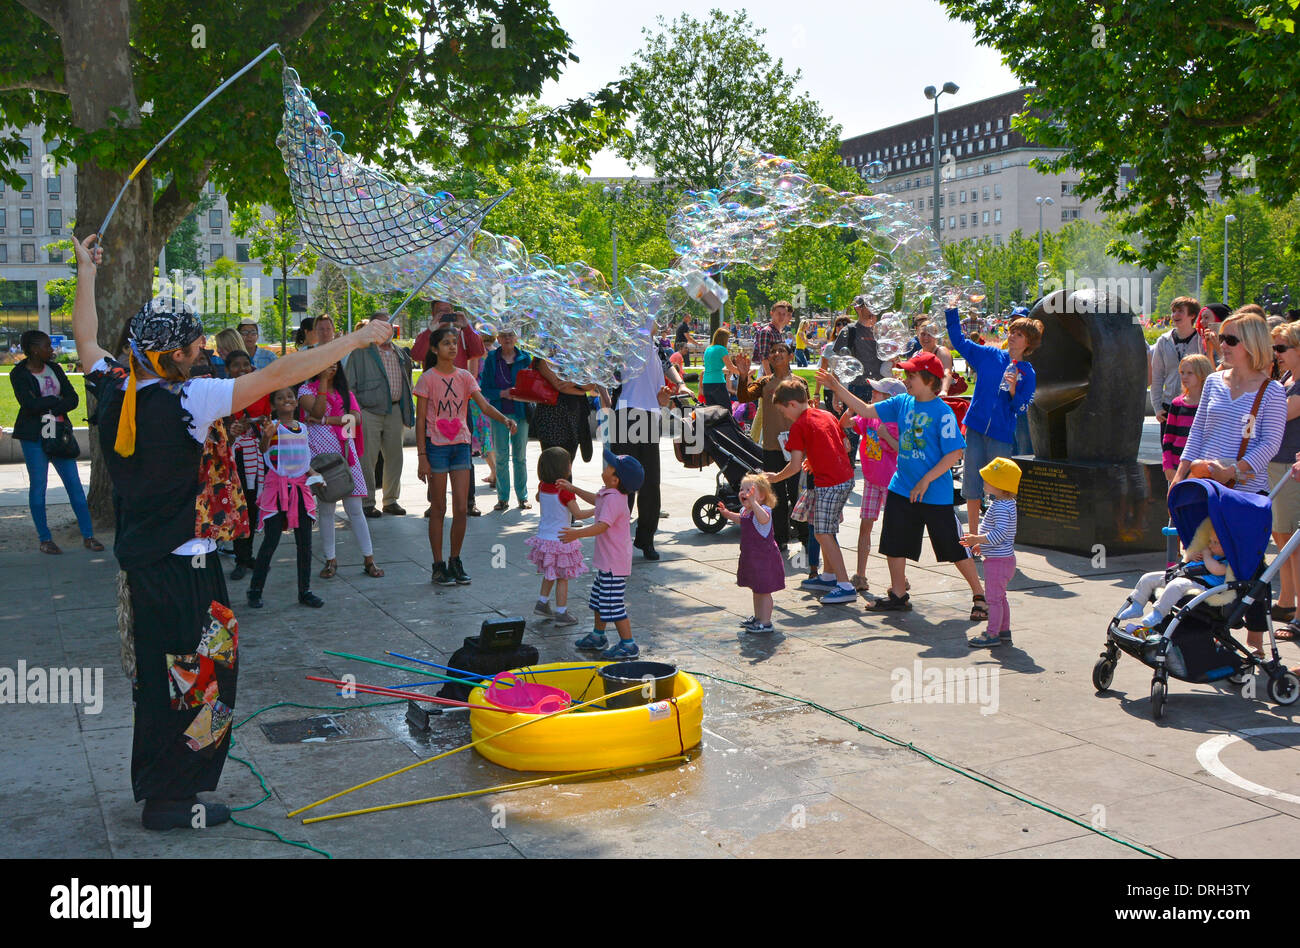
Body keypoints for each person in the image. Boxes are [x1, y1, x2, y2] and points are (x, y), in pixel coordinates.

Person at [70, 231, 393, 831]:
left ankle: (162, 789)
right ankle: (177, 798)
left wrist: (87, 272)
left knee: (162, 681)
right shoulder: (187, 401)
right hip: (186, 572)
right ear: (168, 359)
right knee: (205, 681)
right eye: (193, 350)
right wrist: (354, 338)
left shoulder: (115, 386)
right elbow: (280, 376)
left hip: (145, 567)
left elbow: (85, 336)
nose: (202, 355)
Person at [820, 351, 988, 618]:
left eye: (912, 375)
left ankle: (979, 595)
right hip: (901, 487)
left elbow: (954, 453)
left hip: (934, 493)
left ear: (929, 379)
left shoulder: (942, 412)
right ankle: (898, 594)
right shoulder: (901, 402)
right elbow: (865, 410)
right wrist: (837, 387)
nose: (906, 379)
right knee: (893, 542)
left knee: (953, 547)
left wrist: (925, 480)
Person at [1173, 310, 1286, 656]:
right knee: (1202, 559)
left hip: (1242, 493)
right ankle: (1208, 634)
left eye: (1231, 339)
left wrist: (1235, 468)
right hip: (1204, 486)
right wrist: (1180, 474)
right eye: (1222, 338)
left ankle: (1254, 640)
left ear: (1252, 345)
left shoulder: (1271, 391)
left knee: (1248, 566)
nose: (1223, 345)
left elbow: (1270, 442)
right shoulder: (1213, 382)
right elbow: (1198, 432)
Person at [415, 327, 517, 585]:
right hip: (436, 447)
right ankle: (438, 564)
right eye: (446, 343)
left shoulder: (464, 377)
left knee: (461, 508)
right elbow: (419, 421)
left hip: (460, 445)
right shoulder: (427, 378)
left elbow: (483, 405)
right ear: (435, 349)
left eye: (454, 343)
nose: (452, 347)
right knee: (438, 508)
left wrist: (504, 419)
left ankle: (455, 560)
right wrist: (422, 456)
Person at [946, 306, 1043, 545]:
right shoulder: (989, 355)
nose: (1012, 336)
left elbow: (1021, 408)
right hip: (976, 428)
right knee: (972, 483)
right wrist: (952, 311)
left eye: (1019, 334)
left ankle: (997, 536)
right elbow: (958, 341)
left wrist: (1012, 391)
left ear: (1028, 343)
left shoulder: (1027, 373)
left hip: (1001, 434)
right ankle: (972, 539)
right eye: (1012, 331)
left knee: (1001, 488)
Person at [763, 377, 858, 606]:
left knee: (823, 533)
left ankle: (845, 585)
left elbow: (794, 466)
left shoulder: (799, 426)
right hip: (843, 478)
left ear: (792, 405)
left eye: (783, 411)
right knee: (821, 528)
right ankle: (828, 576)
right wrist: (816, 459)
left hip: (829, 483)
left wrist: (775, 477)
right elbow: (844, 446)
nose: (785, 416)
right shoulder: (825, 414)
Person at [8, 329, 102, 554]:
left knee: (74, 485)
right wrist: (54, 401)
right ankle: (45, 539)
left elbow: (72, 398)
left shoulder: (55, 369)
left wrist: (49, 405)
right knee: (38, 486)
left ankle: (88, 536)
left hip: (60, 433)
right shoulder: (18, 374)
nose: (52, 350)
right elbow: (28, 405)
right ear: (33, 349)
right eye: (47, 346)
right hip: (33, 436)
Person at [611, 316, 690, 561]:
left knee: (650, 481)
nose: (657, 322)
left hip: (649, 416)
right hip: (626, 414)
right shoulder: (626, 345)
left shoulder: (656, 348)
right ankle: (618, 537)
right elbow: (609, 374)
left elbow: (667, 371)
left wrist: (676, 387)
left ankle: (646, 539)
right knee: (625, 480)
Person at [297, 361, 385, 579]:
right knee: (326, 510)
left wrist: (327, 420)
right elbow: (315, 409)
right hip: (321, 460)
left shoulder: (346, 393)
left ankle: (369, 559)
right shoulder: (305, 390)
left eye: (335, 364)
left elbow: (355, 418)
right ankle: (330, 560)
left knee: (355, 509)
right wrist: (324, 384)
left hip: (347, 457)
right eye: (326, 364)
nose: (331, 367)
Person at [561, 449, 644, 659]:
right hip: (607, 562)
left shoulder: (615, 500)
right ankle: (598, 636)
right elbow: (595, 499)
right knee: (598, 600)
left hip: (614, 565)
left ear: (615, 480)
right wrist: (574, 488)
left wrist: (576, 534)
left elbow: (601, 526)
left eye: (610, 466)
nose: (605, 467)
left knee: (613, 605)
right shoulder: (609, 493)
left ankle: (629, 644)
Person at [246, 387, 321, 608]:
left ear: (296, 402)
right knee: (271, 541)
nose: (286, 400)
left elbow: (304, 460)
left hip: (300, 491)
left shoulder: (303, 429)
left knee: (305, 543)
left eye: (289, 396)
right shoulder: (272, 428)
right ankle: (255, 590)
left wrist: (313, 474)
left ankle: (305, 591)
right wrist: (266, 437)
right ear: (274, 406)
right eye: (280, 398)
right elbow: (264, 450)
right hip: (277, 490)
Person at [345, 309, 413, 518]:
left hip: (394, 410)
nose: (387, 328)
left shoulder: (400, 353)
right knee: (367, 458)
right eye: (382, 324)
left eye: (389, 324)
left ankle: (391, 500)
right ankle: (367, 502)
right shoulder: (360, 352)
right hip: (368, 412)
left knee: (395, 457)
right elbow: (350, 385)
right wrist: (356, 412)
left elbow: (407, 384)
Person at [1117, 518, 1230, 638]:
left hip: (1201, 586)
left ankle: (1158, 613)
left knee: (1176, 585)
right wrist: (1191, 556)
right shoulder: (1208, 553)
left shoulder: (1227, 562)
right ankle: (1137, 605)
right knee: (1148, 578)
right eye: (1210, 541)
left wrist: (1207, 556)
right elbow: (1185, 561)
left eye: (1215, 543)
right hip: (1181, 575)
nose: (1210, 545)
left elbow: (1216, 570)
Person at [734, 343, 800, 549]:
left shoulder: (799, 383)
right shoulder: (764, 383)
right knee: (776, 495)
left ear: (790, 356)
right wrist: (743, 376)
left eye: (781, 350)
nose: (777, 354)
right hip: (772, 447)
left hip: (796, 449)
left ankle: (804, 536)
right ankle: (780, 539)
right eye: (772, 352)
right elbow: (743, 397)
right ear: (769, 359)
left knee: (798, 493)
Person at [844, 376, 905, 593]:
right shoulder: (870, 417)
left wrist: (887, 435)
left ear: (892, 399)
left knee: (894, 531)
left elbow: (901, 450)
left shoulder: (895, 421)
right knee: (865, 526)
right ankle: (860, 575)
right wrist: (851, 409)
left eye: (878, 392)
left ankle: (900, 579)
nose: (873, 394)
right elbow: (846, 424)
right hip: (871, 481)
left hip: (891, 484)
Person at [961, 458, 1021, 647]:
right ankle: (1004, 631)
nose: (984, 483)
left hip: (998, 562)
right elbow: (1001, 534)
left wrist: (977, 540)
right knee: (1000, 598)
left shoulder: (1001, 506)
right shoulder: (1007, 503)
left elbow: (1000, 533)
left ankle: (992, 633)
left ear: (1000, 486)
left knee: (993, 600)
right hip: (1003, 559)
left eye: (988, 480)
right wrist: (983, 546)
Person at [527, 447, 590, 627]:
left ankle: (542, 602)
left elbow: (539, 498)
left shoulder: (542, 486)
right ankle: (561, 613)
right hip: (561, 540)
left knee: (550, 572)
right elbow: (578, 513)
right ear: (565, 468)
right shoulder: (564, 492)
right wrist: (598, 509)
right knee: (562, 577)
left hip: (544, 539)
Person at [719, 473, 786, 634]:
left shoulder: (763, 510)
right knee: (757, 590)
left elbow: (763, 519)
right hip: (752, 558)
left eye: (750, 490)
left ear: (761, 496)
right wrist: (728, 514)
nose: (744, 492)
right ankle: (758, 617)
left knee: (764, 591)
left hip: (764, 559)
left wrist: (754, 503)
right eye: (742, 489)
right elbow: (742, 520)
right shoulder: (745, 510)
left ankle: (766, 622)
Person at [222, 348, 267, 581]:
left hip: (257, 458)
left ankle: (248, 555)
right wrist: (234, 431)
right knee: (238, 508)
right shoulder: (223, 394)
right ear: (228, 370)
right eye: (236, 365)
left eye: (245, 364)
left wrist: (253, 423)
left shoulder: (260, 391)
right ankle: (240, 558)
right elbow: (220, 431)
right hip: (234, 457)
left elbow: (269, 418)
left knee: (252, 506)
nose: (242, 369)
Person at [1268, 322, 1300, 634]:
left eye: (1280, 348)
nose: (1275, 354)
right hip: (1278, 464)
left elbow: (1279, 414)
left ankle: (1299, 614)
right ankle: (1287, 599)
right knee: (1281, 536)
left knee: (1293, 541)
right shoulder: (1288, 377)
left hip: (1293, 466)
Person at [480, 328, 534, 511]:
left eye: (511, 335)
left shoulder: (525, 358)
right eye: (504, 335)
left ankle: (522, 497)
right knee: (501, 456)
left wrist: (521, 394)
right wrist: (501, 393)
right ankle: (503, 498)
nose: (508, 338)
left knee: (520, 457)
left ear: (516, 338)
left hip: (520, 413)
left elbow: (533, 385)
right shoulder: (492, 359)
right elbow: (484, 388)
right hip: (499, 413)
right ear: (499, 339)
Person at [1150, 297, 1205, 436]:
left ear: (1192, 315)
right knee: (1168, 450)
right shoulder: (1163, 341)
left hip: (1194, 404)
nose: (1175, 315)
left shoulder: (1201, 340)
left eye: (1180, 311)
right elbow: (1157, 374)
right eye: (1174, 311)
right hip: (1168, 404)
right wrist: (1157, 406)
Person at [1161, 354, 1213, 486]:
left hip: (1200, 469)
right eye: (1182, 372)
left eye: (1190, 373)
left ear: (1202, 374)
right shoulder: (1177, 404)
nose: (1184, 377)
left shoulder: (1211, 405)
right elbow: (1168, 438)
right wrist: (1167, 465)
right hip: (1176, 467)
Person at [914, 321, 958, 396]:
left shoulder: (941, 351)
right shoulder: (916, 354)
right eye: (923, 334)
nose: (925, 337)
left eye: (929, 334)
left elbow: (947, 372)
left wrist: (944, 390)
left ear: (936, 336)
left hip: (940, 395)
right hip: (923, 395)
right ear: (918, 335)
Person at [753, 300, 794, 375]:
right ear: (771, 314)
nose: (781, 317)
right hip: (772, 375)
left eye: (784, 314)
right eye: (778, 314)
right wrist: (769, 378)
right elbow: (764, 357)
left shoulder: (779, 332)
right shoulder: (766, 331)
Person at [700, 327, 735, 408]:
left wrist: (726, 371)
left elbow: (713, 367)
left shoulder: (708, 349)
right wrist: (743, 373)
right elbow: (731, 367)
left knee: (712, 412)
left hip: (706, 383)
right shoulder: (722, 349)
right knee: (726, 409)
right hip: (718, 383)